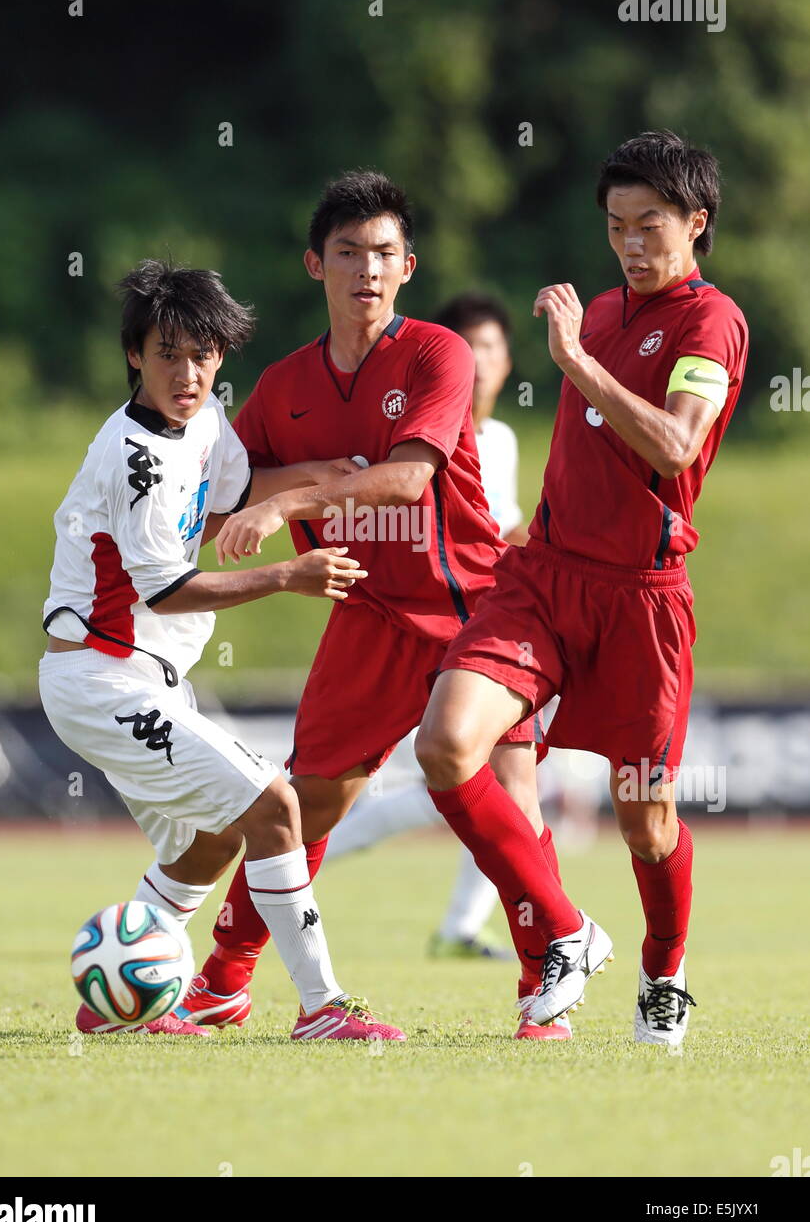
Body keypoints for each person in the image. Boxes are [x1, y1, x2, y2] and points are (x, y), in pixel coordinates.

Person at [178, 171, 573, 1039]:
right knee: (308, 802)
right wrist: (307, 483)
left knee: (509, 794)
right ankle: (221, 981)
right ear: (315, 264)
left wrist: (287, 502)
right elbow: (215, 497)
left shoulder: (438, 353)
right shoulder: (282, 386)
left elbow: (406, 477)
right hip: (366, 611)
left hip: (472, 607)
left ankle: (546, 986)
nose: (368, 269)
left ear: (409, 267)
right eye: (349, 253)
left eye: (385, 254)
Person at [415, 131, 748, 1044]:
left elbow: (675, 446)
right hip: (547, 583)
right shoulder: (599, 310)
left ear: (696, 224)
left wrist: (574, 361)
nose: (632, 244)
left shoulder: (707, 323)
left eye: (650, 225)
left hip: (644, 602)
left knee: (647, 825)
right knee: (445, 744)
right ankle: (563, 930)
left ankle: (664, 967)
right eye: (615, 226)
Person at [39, 259, 405, 1042]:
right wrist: (288, 575)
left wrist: (321, 478)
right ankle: (323, 1009)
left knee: (211, 843)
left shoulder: (205, 422)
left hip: (141, 678)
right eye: (168, 353)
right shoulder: (134, 458)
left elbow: (238, 497)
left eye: (203, 355)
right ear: (134, 354)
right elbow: (166, 589)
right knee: (276, 805)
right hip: (102, 679)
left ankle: (117, 1006)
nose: (188, 371)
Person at [325, 293, 528, 962]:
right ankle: (286, 860)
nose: (482, 362)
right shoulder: (412, 439)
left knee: (500, 784)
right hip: (420, 622)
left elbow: (497, 529)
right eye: (470, 348)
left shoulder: (500, 440)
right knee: (439, 780)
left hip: (492, 626)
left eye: (494, 349)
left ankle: (469, 929)